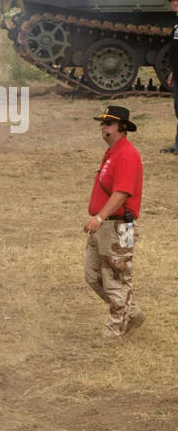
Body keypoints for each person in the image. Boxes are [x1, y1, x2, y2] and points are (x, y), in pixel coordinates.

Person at [84, 105, 144, 338]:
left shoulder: (126, 154)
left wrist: (99, 217)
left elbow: (122, 193)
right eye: (103, 123)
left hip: (119, 225)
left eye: (109, 123)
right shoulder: (113, 153)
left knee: (116, 278)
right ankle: (130, 312)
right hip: (106, 225)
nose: (104, 127)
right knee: (93, 275)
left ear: (122, 126)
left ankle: (116, 328)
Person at [164, 0, 178, 154]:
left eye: (177, 0)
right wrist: (172, 71)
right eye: (173, 1)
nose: (175, 3)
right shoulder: (176, 24)